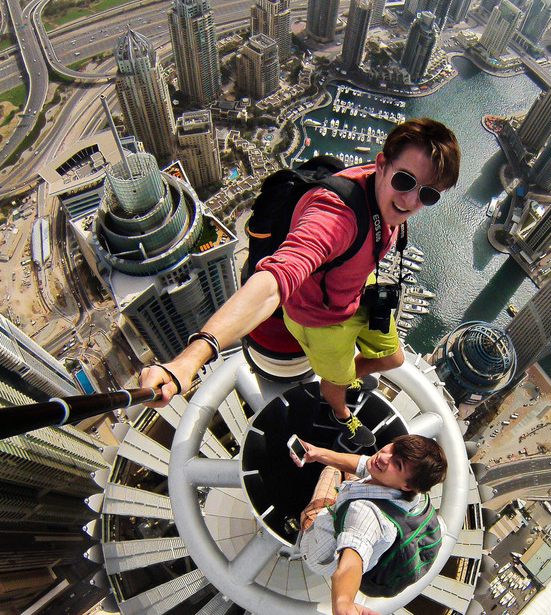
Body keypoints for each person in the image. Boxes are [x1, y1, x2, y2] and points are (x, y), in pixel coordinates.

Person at [140, 119, 460, 447]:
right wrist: (192, 358)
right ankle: (340, 412)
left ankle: (347, 376)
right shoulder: (336, 218)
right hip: (321, 320)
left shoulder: (377, 188)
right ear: (381, 164)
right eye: (405, 181)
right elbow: (276, 280)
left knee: (393, 359)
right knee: (336, 381)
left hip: (356, 290)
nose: (410, 200)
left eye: (428, 194)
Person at [294, 435, 447, 615]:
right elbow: (363, 465)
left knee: (329, 474)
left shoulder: (365, 514)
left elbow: (352, 562)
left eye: (398, 463)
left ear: (407, 485)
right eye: (393, 448)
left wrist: (343, 601)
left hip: (318, 549)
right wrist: (319, 454)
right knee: (343, 467)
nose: (384, 456)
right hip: (359, 516)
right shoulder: (414, 493)